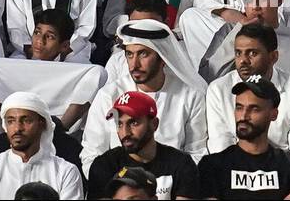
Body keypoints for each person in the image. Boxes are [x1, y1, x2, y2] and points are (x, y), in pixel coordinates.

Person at [82, 18, 206, 172]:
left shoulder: (191, 96)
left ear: (163, 58)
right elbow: (92, 155)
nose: (134, 65)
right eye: (129, 54)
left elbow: (197, 154)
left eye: (143, 54)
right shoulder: (109, 95)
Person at [205, 22, 290, 155]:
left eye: (252, 53)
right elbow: (221, 151)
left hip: (284, 172)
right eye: (238, 53)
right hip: (235, 172)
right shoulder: (219, 90)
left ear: (273, 57)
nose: (243, 61)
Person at [197, 78, 290, 199]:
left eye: (254, 109)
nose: (243, 116)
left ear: (273, 114)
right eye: (239, 107)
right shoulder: (211, 165)